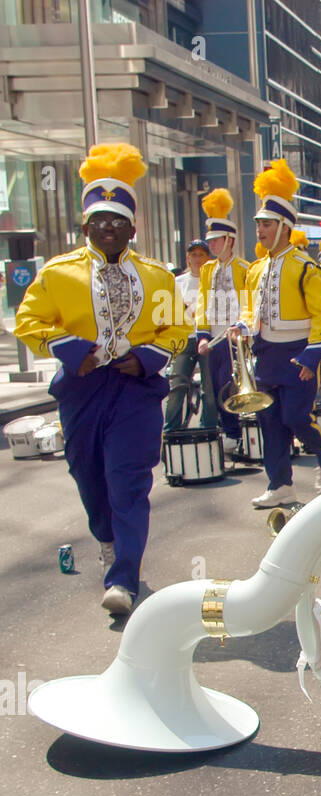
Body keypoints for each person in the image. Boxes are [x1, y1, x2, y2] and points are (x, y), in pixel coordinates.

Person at [15, 143, 190, 615]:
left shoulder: (157, 276)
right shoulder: (58, 273)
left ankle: (124, 578)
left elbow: (179, 327)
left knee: (128, 480)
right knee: (89, 476)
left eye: (117, 222)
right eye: (99, 222)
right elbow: (28, 321)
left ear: (133, 228)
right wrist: (71, 350)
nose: (108, 230)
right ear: (85, 226)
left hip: (135, 391)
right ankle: (108, 540)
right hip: (82, 390)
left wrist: (148, 357)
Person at [243, 158, 321, 509]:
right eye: (258, 224)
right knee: (269, 422)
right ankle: (280, 484)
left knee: (295, 417)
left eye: (267, 224)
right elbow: (248, 309)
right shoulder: (255, 269)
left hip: (299, 353)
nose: (260, 230)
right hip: (266, 354)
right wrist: (243, 326)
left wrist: (312, 354)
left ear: (284, 226)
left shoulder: (306, 268)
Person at [193, 189, 249, 454]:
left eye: (216, 241)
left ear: (230, 240)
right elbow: (203, 303)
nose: (211, 246)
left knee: (233, 385)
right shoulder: (206, 270)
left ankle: (240, 433)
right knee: (216, 387)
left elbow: (249, 304)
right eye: (210, 242)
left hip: (236, 337)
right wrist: (202, 336)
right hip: (214, 338)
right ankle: (229, 431)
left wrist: (242, 328)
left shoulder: (244, 269)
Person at [162, 238, 212, 432]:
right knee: (177, 384)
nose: (197, 259)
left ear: (208, 258)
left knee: (209, 388)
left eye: (201, 254)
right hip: (185, 339)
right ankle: (171, 431)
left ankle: (208, 429)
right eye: (193, 254)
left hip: (207, 338)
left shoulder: (213, 280)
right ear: (187, 258)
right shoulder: (177, 282)